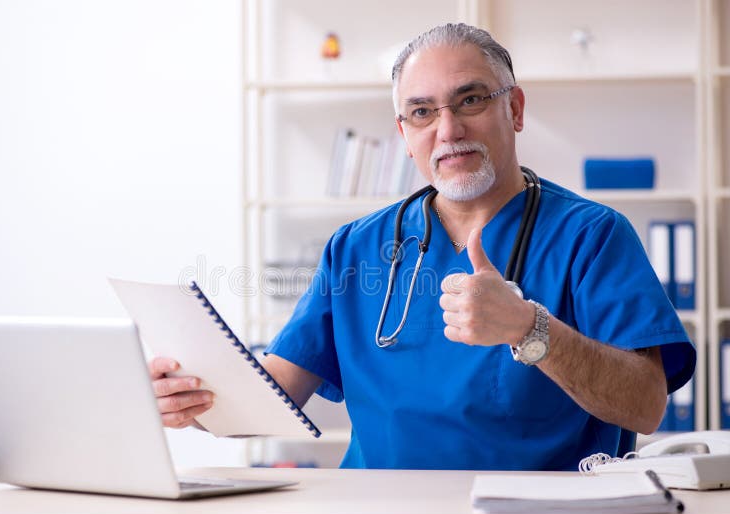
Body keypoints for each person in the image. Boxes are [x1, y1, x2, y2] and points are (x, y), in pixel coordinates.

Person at [149, 23, 696, 470]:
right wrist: (194, 400)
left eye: (471, 99)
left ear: (517, 110)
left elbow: (645, 406)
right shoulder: (356, 247)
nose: (448, 128)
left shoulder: (591, 236)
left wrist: (532, 330)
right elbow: (279, 392)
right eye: (422, 111)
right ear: (404, 134)